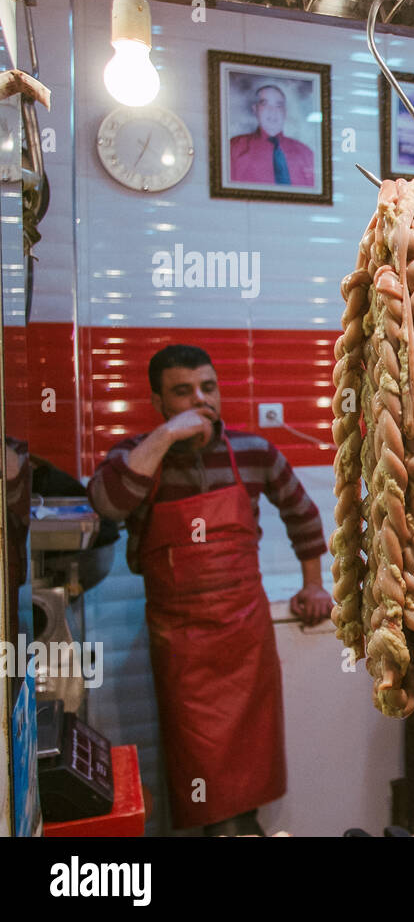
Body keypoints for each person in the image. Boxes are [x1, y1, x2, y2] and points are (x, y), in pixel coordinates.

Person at [87, 345, 331, 836]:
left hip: (245, 633)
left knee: (250, 758)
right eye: (183, 392)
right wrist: (165, 437)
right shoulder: (135, 457)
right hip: (182, 644)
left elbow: (303, 515)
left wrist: (314, 585)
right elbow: (108, 504)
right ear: (158, 401)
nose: (201, 400)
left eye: (209, 387)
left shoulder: (254, 451)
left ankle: (250, 828)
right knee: (199, 763)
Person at [228, 84, 315, 187]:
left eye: (278, 106)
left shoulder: (305, 154)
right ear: (255, 109)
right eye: (265, 104)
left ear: (285, 112)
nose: (272, 111)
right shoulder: (234, 148)